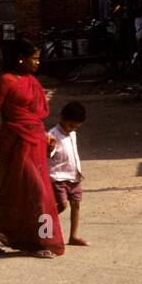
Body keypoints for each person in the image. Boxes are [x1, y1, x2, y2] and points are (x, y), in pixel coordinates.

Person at [0, 37, 65, 258]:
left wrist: (45, 136)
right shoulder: (6, 81)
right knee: (32, 189)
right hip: (15, 140)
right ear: (20, 59)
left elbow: (35, 115)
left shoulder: (32, 81)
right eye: (34, 59)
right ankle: (39, 242)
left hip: (35, 139)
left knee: (26, 191)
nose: (37, 63)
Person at [47, 101, 88, 247]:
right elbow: (48, 154)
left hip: (74, 175)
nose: (72, 129)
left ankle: (73, 236)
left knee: (76, 205)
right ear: (62, 118)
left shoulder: (72, 134)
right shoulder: (52, 135)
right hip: (58, 177)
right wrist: (49, 148)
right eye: (70, 125)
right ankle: (42, 231)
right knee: (60, 206)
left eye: (76, 127)